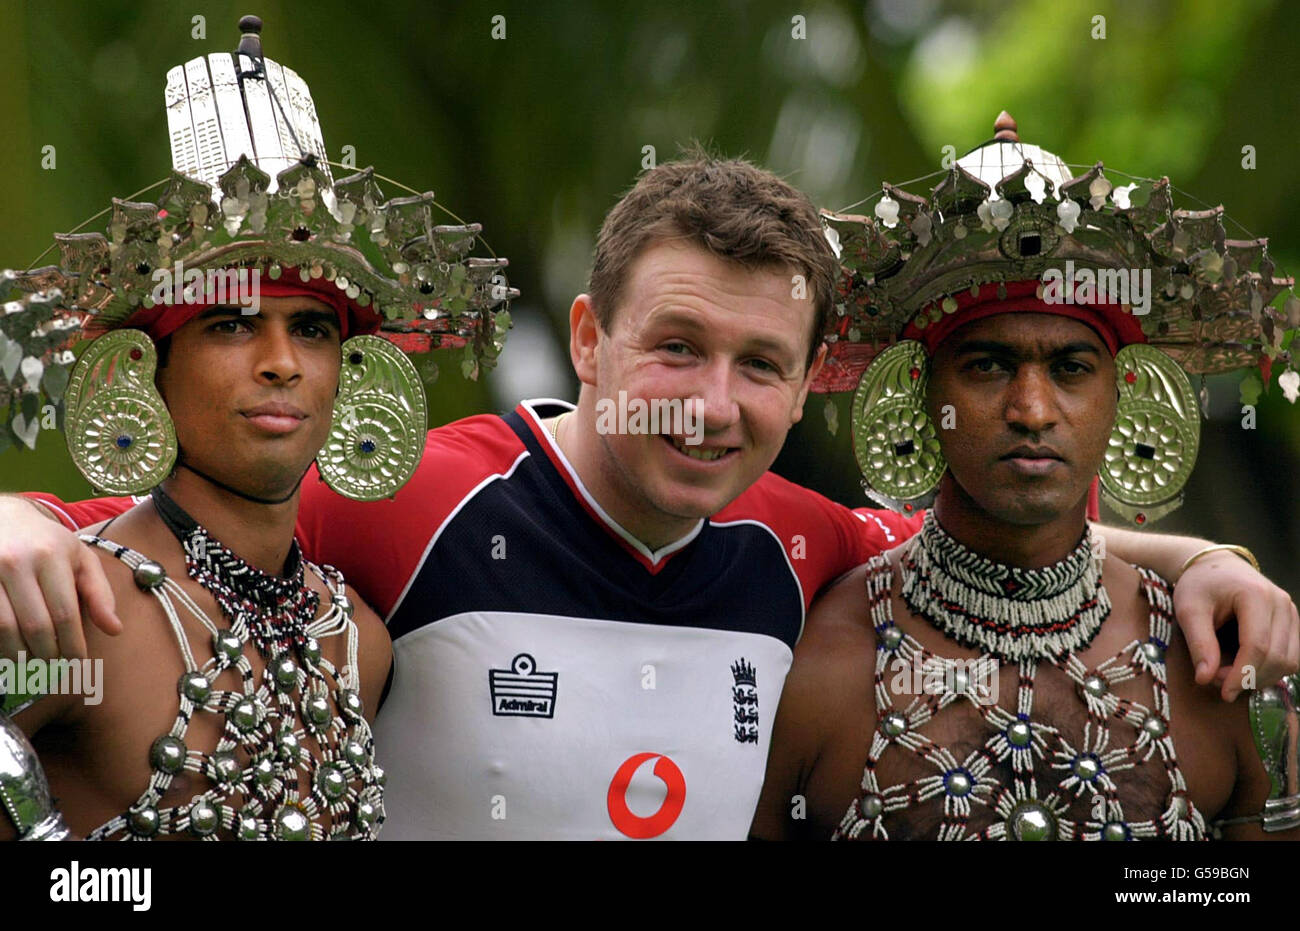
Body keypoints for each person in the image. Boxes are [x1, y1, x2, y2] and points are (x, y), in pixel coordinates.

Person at [2, 147, 1296, 839]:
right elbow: (175, 533)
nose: (711, 402)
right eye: (677, 345)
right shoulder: (419, 496)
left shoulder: (802, 544)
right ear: (588, 336)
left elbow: (1008, 523)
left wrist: (1206, 562)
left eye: (761, 366)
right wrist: (11, 519)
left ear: (804, 395)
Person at [0, 16, 512, 841]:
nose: (282, 362)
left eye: (312, 328)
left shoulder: (360, 641)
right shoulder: (78, 614)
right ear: (150, 368)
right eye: (232, 324)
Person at [750, 116, 1300, 841]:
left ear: (1124, 392)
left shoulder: (1221, 667)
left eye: (1071, 368)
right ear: (918, 390)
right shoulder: (810, 664)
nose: (1032, 410)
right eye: (987, 365)